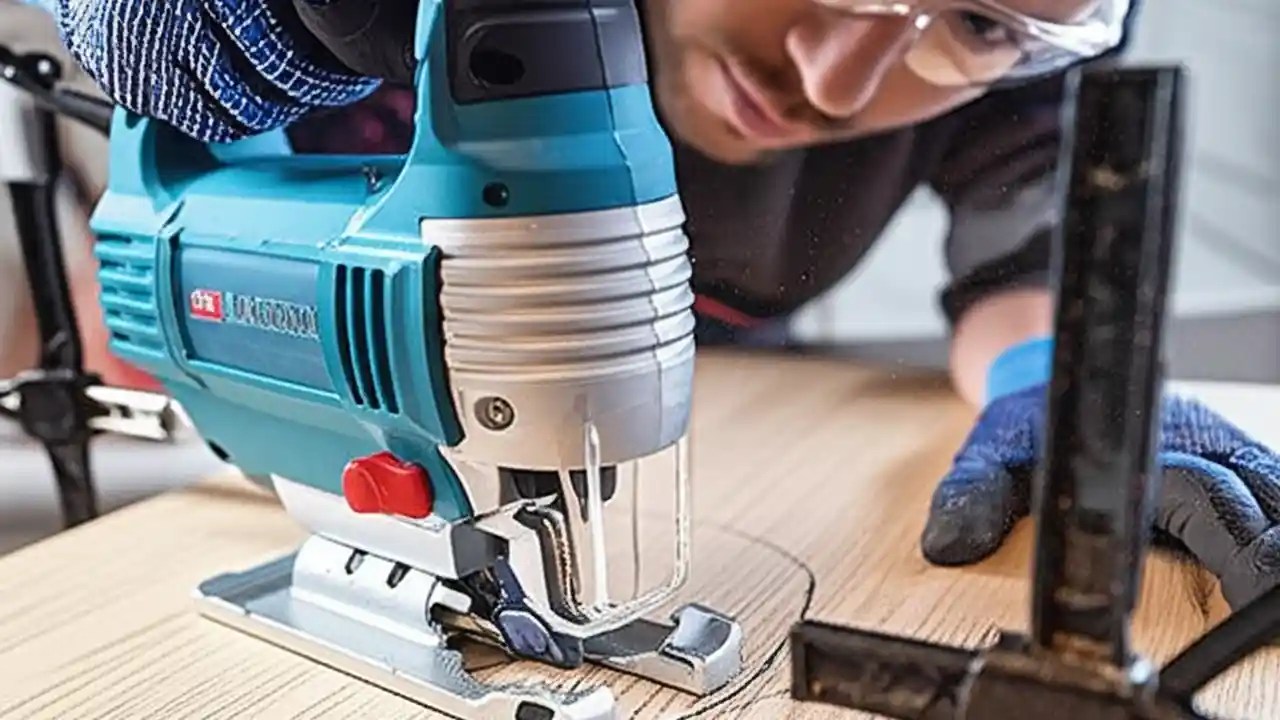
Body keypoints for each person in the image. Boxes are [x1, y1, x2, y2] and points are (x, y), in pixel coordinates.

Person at [31, 0, 1280, 610]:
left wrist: (1068, 399)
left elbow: (1023, 283)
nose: (830, 80)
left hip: (686, 429)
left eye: (968, 20)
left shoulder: (1003, 79)